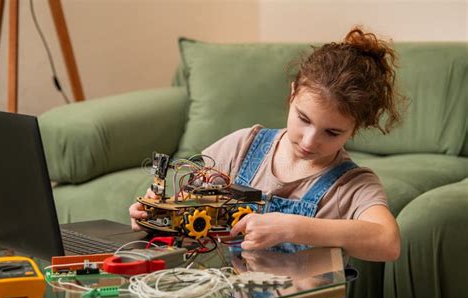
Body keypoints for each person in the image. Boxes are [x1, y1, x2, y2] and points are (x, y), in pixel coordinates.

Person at [129, 26, 405, 262]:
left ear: (355, 128)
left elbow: (388, 242)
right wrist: (154, 218)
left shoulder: (352, 185)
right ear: (292, 92)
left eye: (332, 132)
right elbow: (187, 219)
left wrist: (294, 228)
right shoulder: (243, 147)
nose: (309, 141)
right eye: (303, 119)